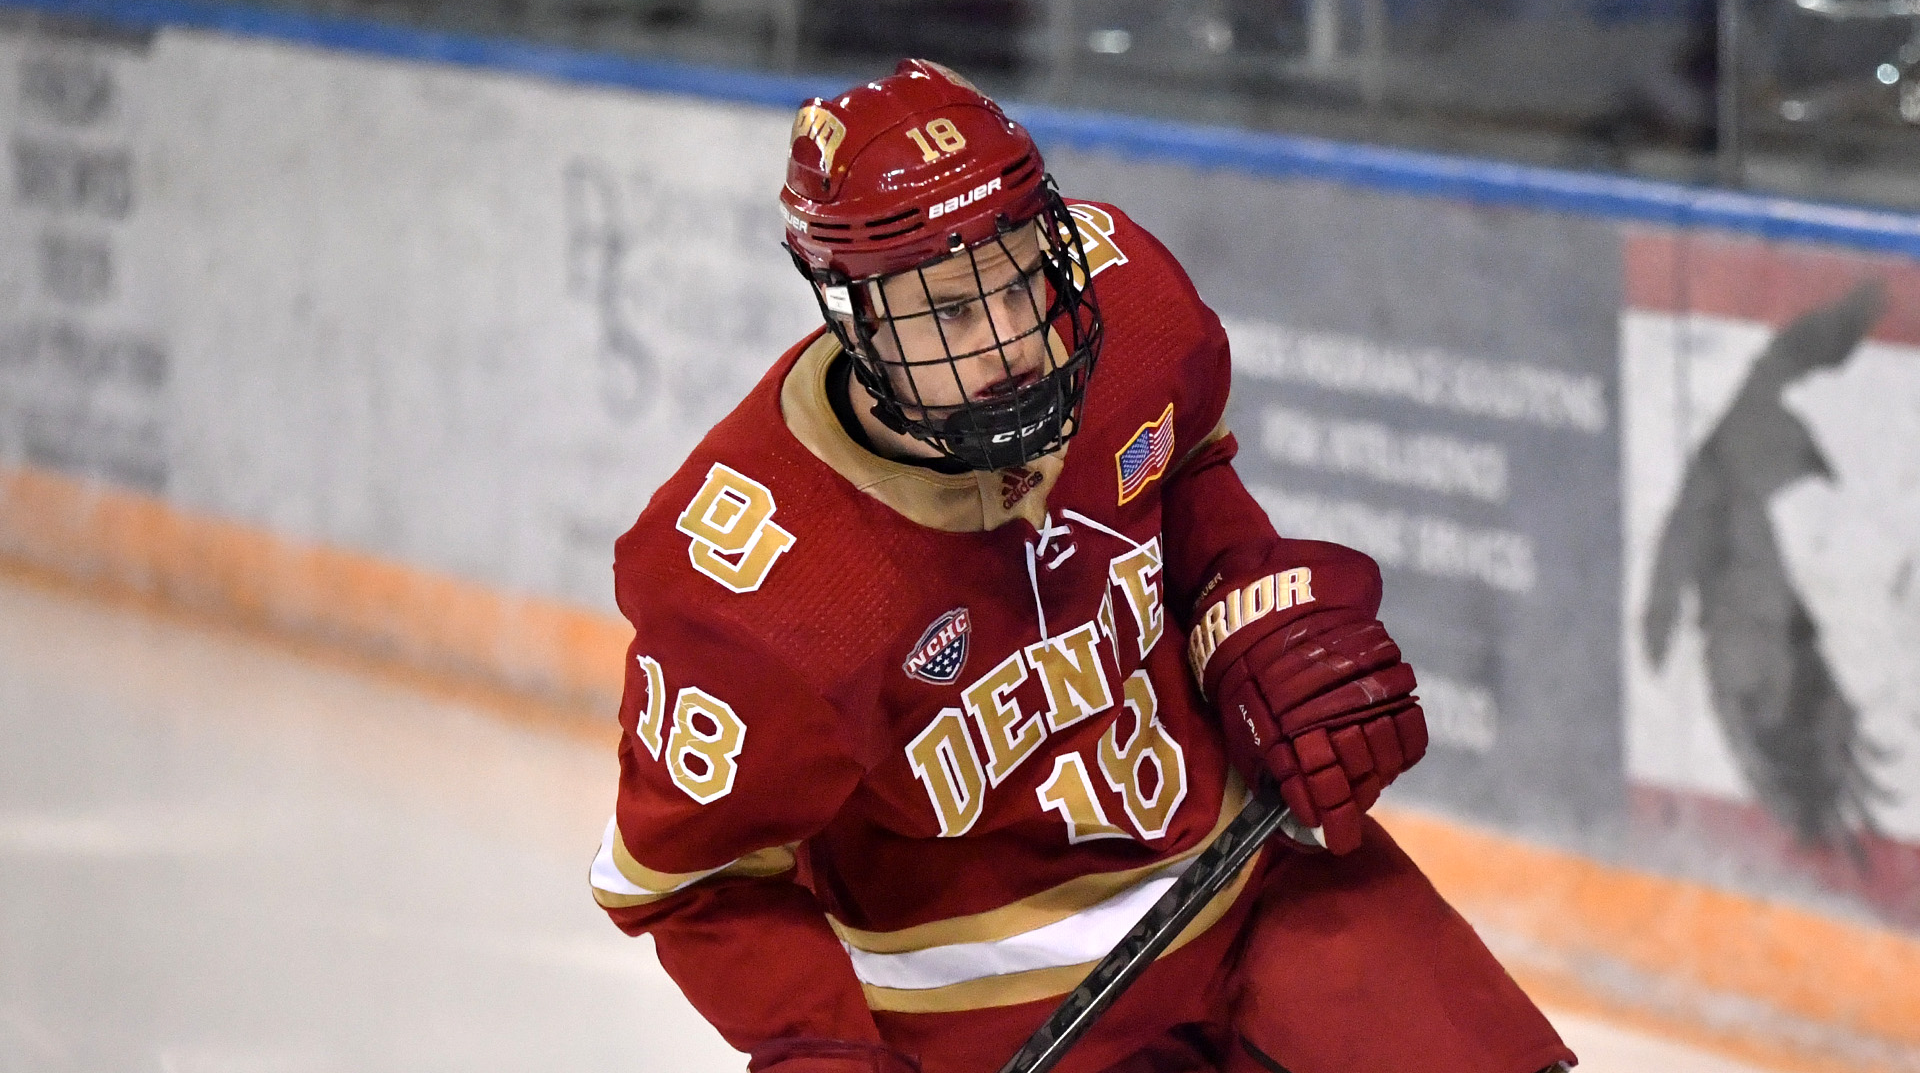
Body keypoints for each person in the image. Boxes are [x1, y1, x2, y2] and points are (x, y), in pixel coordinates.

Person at [590, 59, 1575, 1073]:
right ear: (856, 315)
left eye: (1022, 279)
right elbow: (691, 881)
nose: (1016, 338)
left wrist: (1255, 613)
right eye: (953, 314)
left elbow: (1186, 469)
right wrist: (815, 1045)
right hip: (996, 1006)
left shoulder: (1127, 306)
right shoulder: (756, 585)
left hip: (1254, 886)